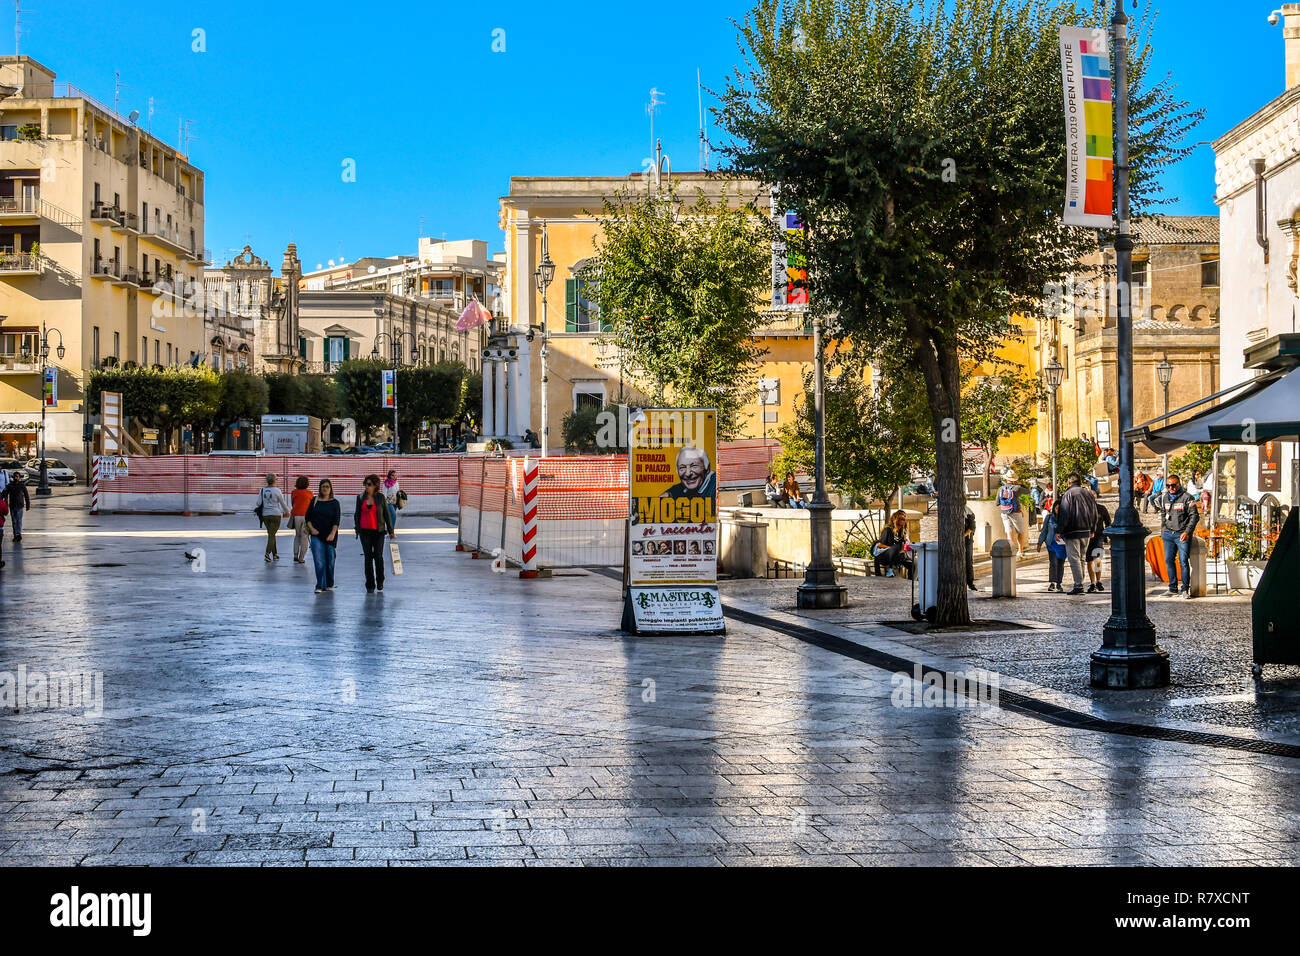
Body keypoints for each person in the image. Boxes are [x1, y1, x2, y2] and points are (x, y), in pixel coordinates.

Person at [1055, 474, 1098, 595]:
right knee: (1082, 558)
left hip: (1072, 530)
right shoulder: (1088, 493)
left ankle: (1078, 585)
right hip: (1086, 531)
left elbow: (1064, 513)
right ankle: (1080, 584)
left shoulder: (1068, 495)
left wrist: (1059, 530)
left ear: (1069, 483)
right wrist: (1093, 529)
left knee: (1074, 558)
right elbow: (1094, 512)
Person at [1161, 474, 1200, 599]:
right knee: (1168, 560)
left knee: (1183, 561)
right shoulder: (1165, 497)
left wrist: (1187, 532)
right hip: (1168, 534)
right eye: (1168, 485)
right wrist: (1163, 529)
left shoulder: (1187, 498)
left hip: (1181, 534)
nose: (1171, 488)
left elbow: (1194, 516)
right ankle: (1172, 588)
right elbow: (1163, 512)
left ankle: (1185, 589)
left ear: (1179, 484)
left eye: (1173, 485)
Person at [354, 473, 395, 593]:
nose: (366, 487)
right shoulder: (360, 497)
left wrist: (391, 531)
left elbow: (386, 515)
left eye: (369, 484)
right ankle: (370, 584)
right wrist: (357, 529)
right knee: (367, 558)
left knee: (378, 556)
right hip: (364, 532)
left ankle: (380, 580)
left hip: (378, 532)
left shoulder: (380, 498)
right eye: (365, 484)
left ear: (375, 485)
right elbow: (357, 514)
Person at [305, 478, 341, 593]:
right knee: (319, 561)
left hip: (330, 536)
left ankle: (329, 583)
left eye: (327, 486)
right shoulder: (314, 500)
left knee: (330, 562)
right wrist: (312, 529)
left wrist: (332, 534)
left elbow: (336, 521)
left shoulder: (335, 503)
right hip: (316, 535)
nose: (325, 488)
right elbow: (308, 517)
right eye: (323, 486)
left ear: (331, 489)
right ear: (320, 488)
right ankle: (320, 585)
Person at [1036, 499, 1067, 592]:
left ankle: (1059, 583)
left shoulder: (1066, 519)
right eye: (1056, 508)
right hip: (1051, 544)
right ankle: (1052, 583)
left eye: (1059, 508)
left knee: (1060, 564)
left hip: (1062, 545)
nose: (1057, 510)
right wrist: (1039, 543)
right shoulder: (1049, 517)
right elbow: (1044, 530)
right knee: (1053, 563)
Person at [258, 474, 289, 563]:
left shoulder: (262, 490)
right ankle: (267, 554)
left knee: (271, 534)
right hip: (276, 514)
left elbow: (258, 503)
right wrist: (288, 511)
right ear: (275, 480)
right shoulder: (277, 491)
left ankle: (275, 554)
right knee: (272, 534)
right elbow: (282, 503)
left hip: (265, 515)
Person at [873, 510, 914, 579]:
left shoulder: (902, 532)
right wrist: (892, 548)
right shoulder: (888, 530)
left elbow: (902, 545)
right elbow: (880, 545)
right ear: (896, 520)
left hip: (895, 556)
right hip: (883, 556)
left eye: (905, 519)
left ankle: (910, 582)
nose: (905, 521)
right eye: (902, 519)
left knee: (911, 565)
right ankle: (890, 569)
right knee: (895, 547)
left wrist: (901, 551)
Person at [1086, 496, 1111, 594]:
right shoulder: (1084, 509)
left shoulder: (1101, 508)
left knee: (1097, 559)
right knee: (1089, 561)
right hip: (1087, 538)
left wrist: (1107, 535)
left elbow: (1108, 521)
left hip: (1099, 536)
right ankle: (1092, 583)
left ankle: (1098, 581)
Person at [996, 480, 1028, 557]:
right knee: (1020, 531)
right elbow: (1028, 491)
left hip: (1004, 513)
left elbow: (997, 503)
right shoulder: (1017, 488)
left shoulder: (1000, 489)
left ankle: (1011, 551)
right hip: (1016, 512)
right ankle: (1020, 551)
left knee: (1009, 533)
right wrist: (1021, 484)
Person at [289, 476, 313, 564]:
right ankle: (301, 558)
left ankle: (295, 555)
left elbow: (293, 503)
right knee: (305, 537)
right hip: (306, 517)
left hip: (296, 516)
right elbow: (311, 506)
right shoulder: (310, 493)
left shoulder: (294, 492)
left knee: (297, 536)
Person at [5, 471, 29, 542]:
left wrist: (28, 504)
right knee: (14, 521)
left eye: (17, 477)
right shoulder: (10, 485)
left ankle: (18, 534)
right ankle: (15, 534)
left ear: (19, 478)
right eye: (15, 477)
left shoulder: (22, 485)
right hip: (12, 505)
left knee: (18, 520)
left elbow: (26, 495)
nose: (16, 478)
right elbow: (5, 494)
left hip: (19, 505)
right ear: (13, 477)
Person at [964, 504, 978, 592]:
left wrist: (963, 536)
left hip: (967, 540)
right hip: (964, 539)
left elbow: (972, 528)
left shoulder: (968, 512)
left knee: (968, 561)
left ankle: (970, 582)